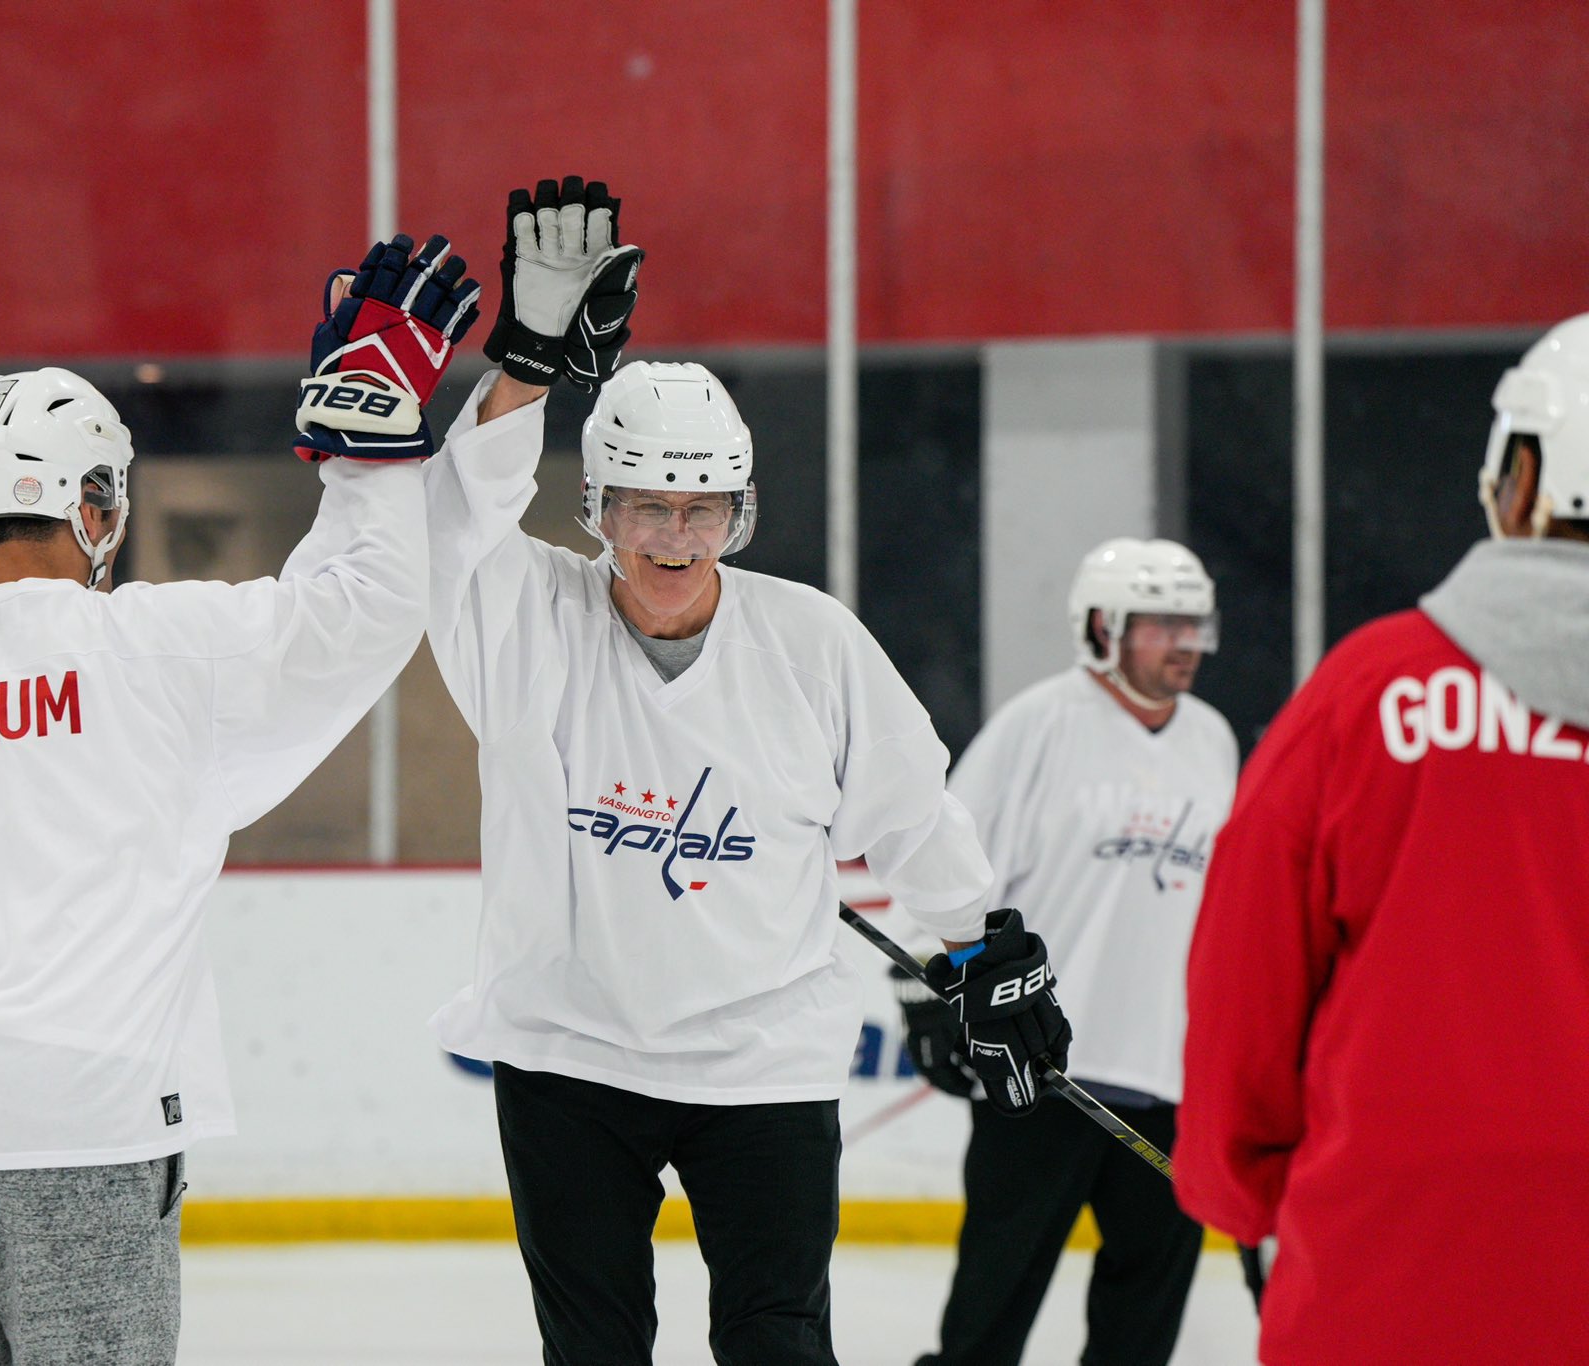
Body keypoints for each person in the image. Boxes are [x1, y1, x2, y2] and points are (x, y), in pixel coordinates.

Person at [0, 232, 480, 1363]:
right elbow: (361, 612)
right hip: (92, 1126)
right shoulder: (157, 652)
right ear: (93, 498)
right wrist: (366, 445)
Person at [424, 175, 1071, 1366]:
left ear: (739, 509)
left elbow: (912, 816)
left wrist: (980, 946)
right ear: (594, 508)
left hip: (760, 1062)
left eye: (703, 509)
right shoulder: (523, 623)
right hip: (567, 1055)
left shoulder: (810, 642)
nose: (674, 539)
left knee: (779, 1343)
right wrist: (523, 359)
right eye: (644, 509)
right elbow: (457, 519)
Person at [1174, 316, 1589, 1364]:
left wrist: (1240, 1187)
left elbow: (1245, 978)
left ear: (1521, 474)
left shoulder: (1370, 692)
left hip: (1387, 1265)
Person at [904, 538, 1237, 1366]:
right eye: (1163, 624)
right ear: (1102, 626)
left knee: (1145, 1310)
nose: (1186, 642)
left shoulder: (1214, 739)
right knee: (994, 1298)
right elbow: (946, 860)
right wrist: (925, 991)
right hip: (1042, 1068)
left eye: (1193, 623)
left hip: (1170, 1076)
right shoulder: (1038, 724)